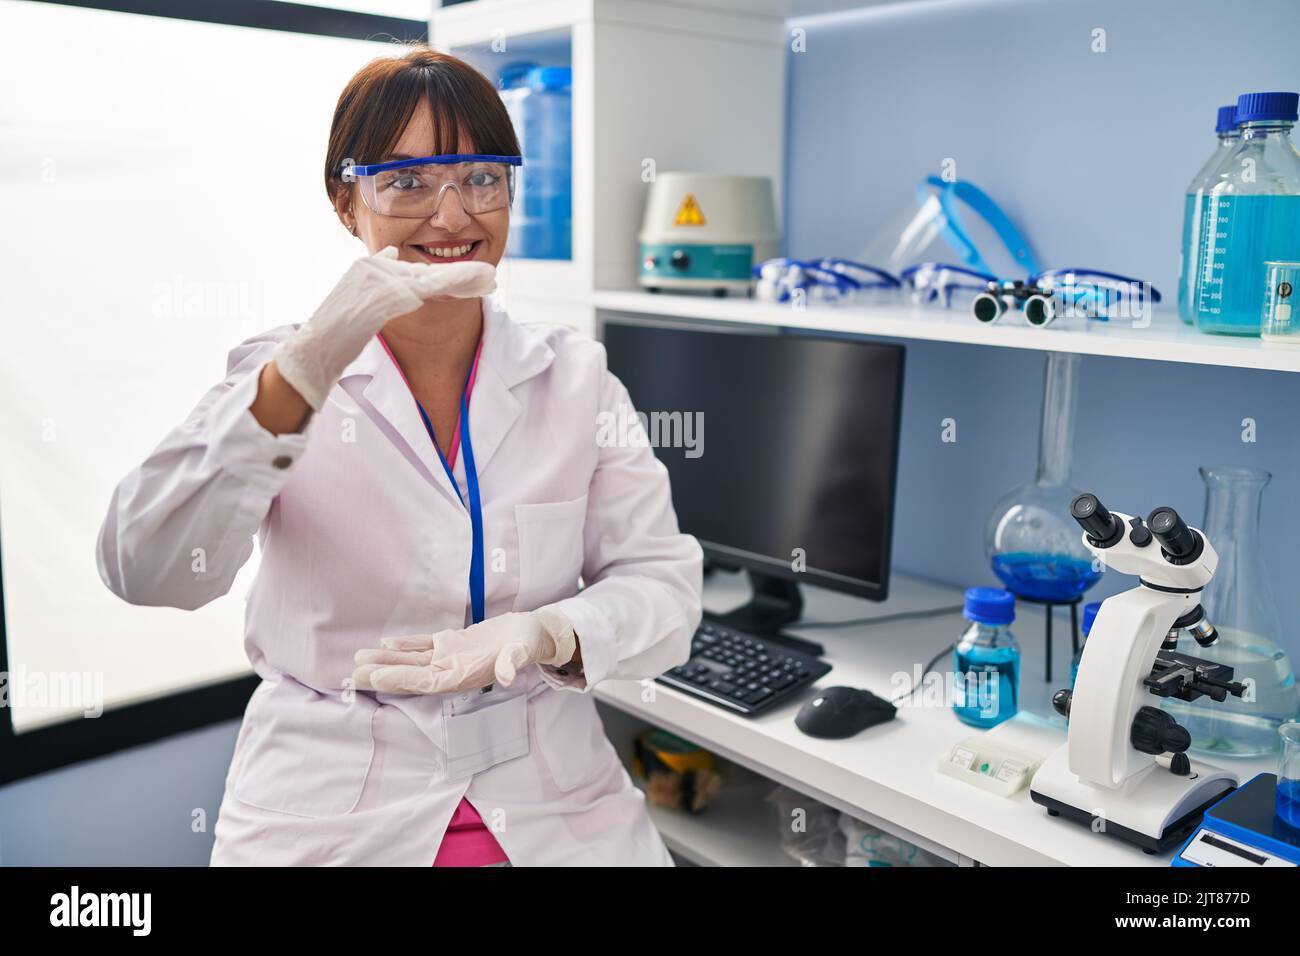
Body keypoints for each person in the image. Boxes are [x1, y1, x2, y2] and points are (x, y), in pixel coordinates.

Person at [95, 45, 703, 866]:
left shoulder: (575, 379)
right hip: (334, 803)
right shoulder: (278, 374)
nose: (452, 217)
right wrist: (308, 367)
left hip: (555, 801)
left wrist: (552, 630)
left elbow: (663, 586)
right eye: (407, 182)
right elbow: (148, 567)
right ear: (346, 202)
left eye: (482, 178)